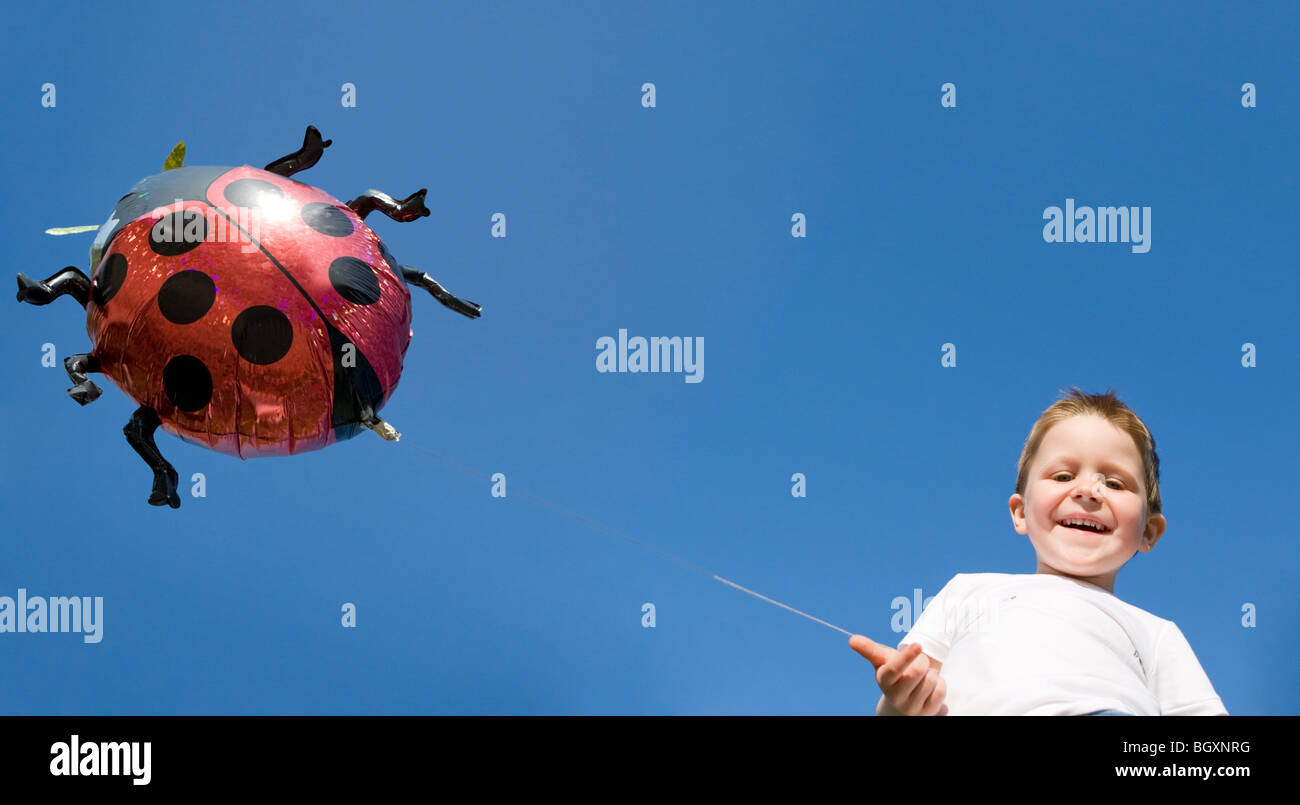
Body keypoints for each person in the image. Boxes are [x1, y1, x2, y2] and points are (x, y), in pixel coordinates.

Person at [849, 387, 1228, 716]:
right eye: (1063, 476)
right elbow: (914, 688)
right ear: (1020, 512)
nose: (1088, 490)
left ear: (1148, 531)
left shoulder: (1156, 633)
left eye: (1113, 482)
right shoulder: (969, 591)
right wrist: (899, 703)